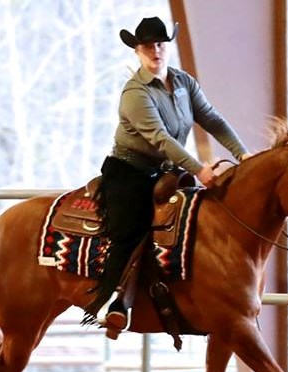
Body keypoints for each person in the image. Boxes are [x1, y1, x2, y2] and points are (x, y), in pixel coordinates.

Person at [89, 16, 250, 336]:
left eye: (161, 44)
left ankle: (192, 287)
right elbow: (162, 139)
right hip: (130, 170)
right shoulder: (135, 93)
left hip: (165, 168)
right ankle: (113, 301)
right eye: (148, 46)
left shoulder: (184, 82)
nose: (156, 51)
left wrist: (242, 154)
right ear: (137, 51)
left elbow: (212, 119)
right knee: (132, 226)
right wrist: (200, 169)